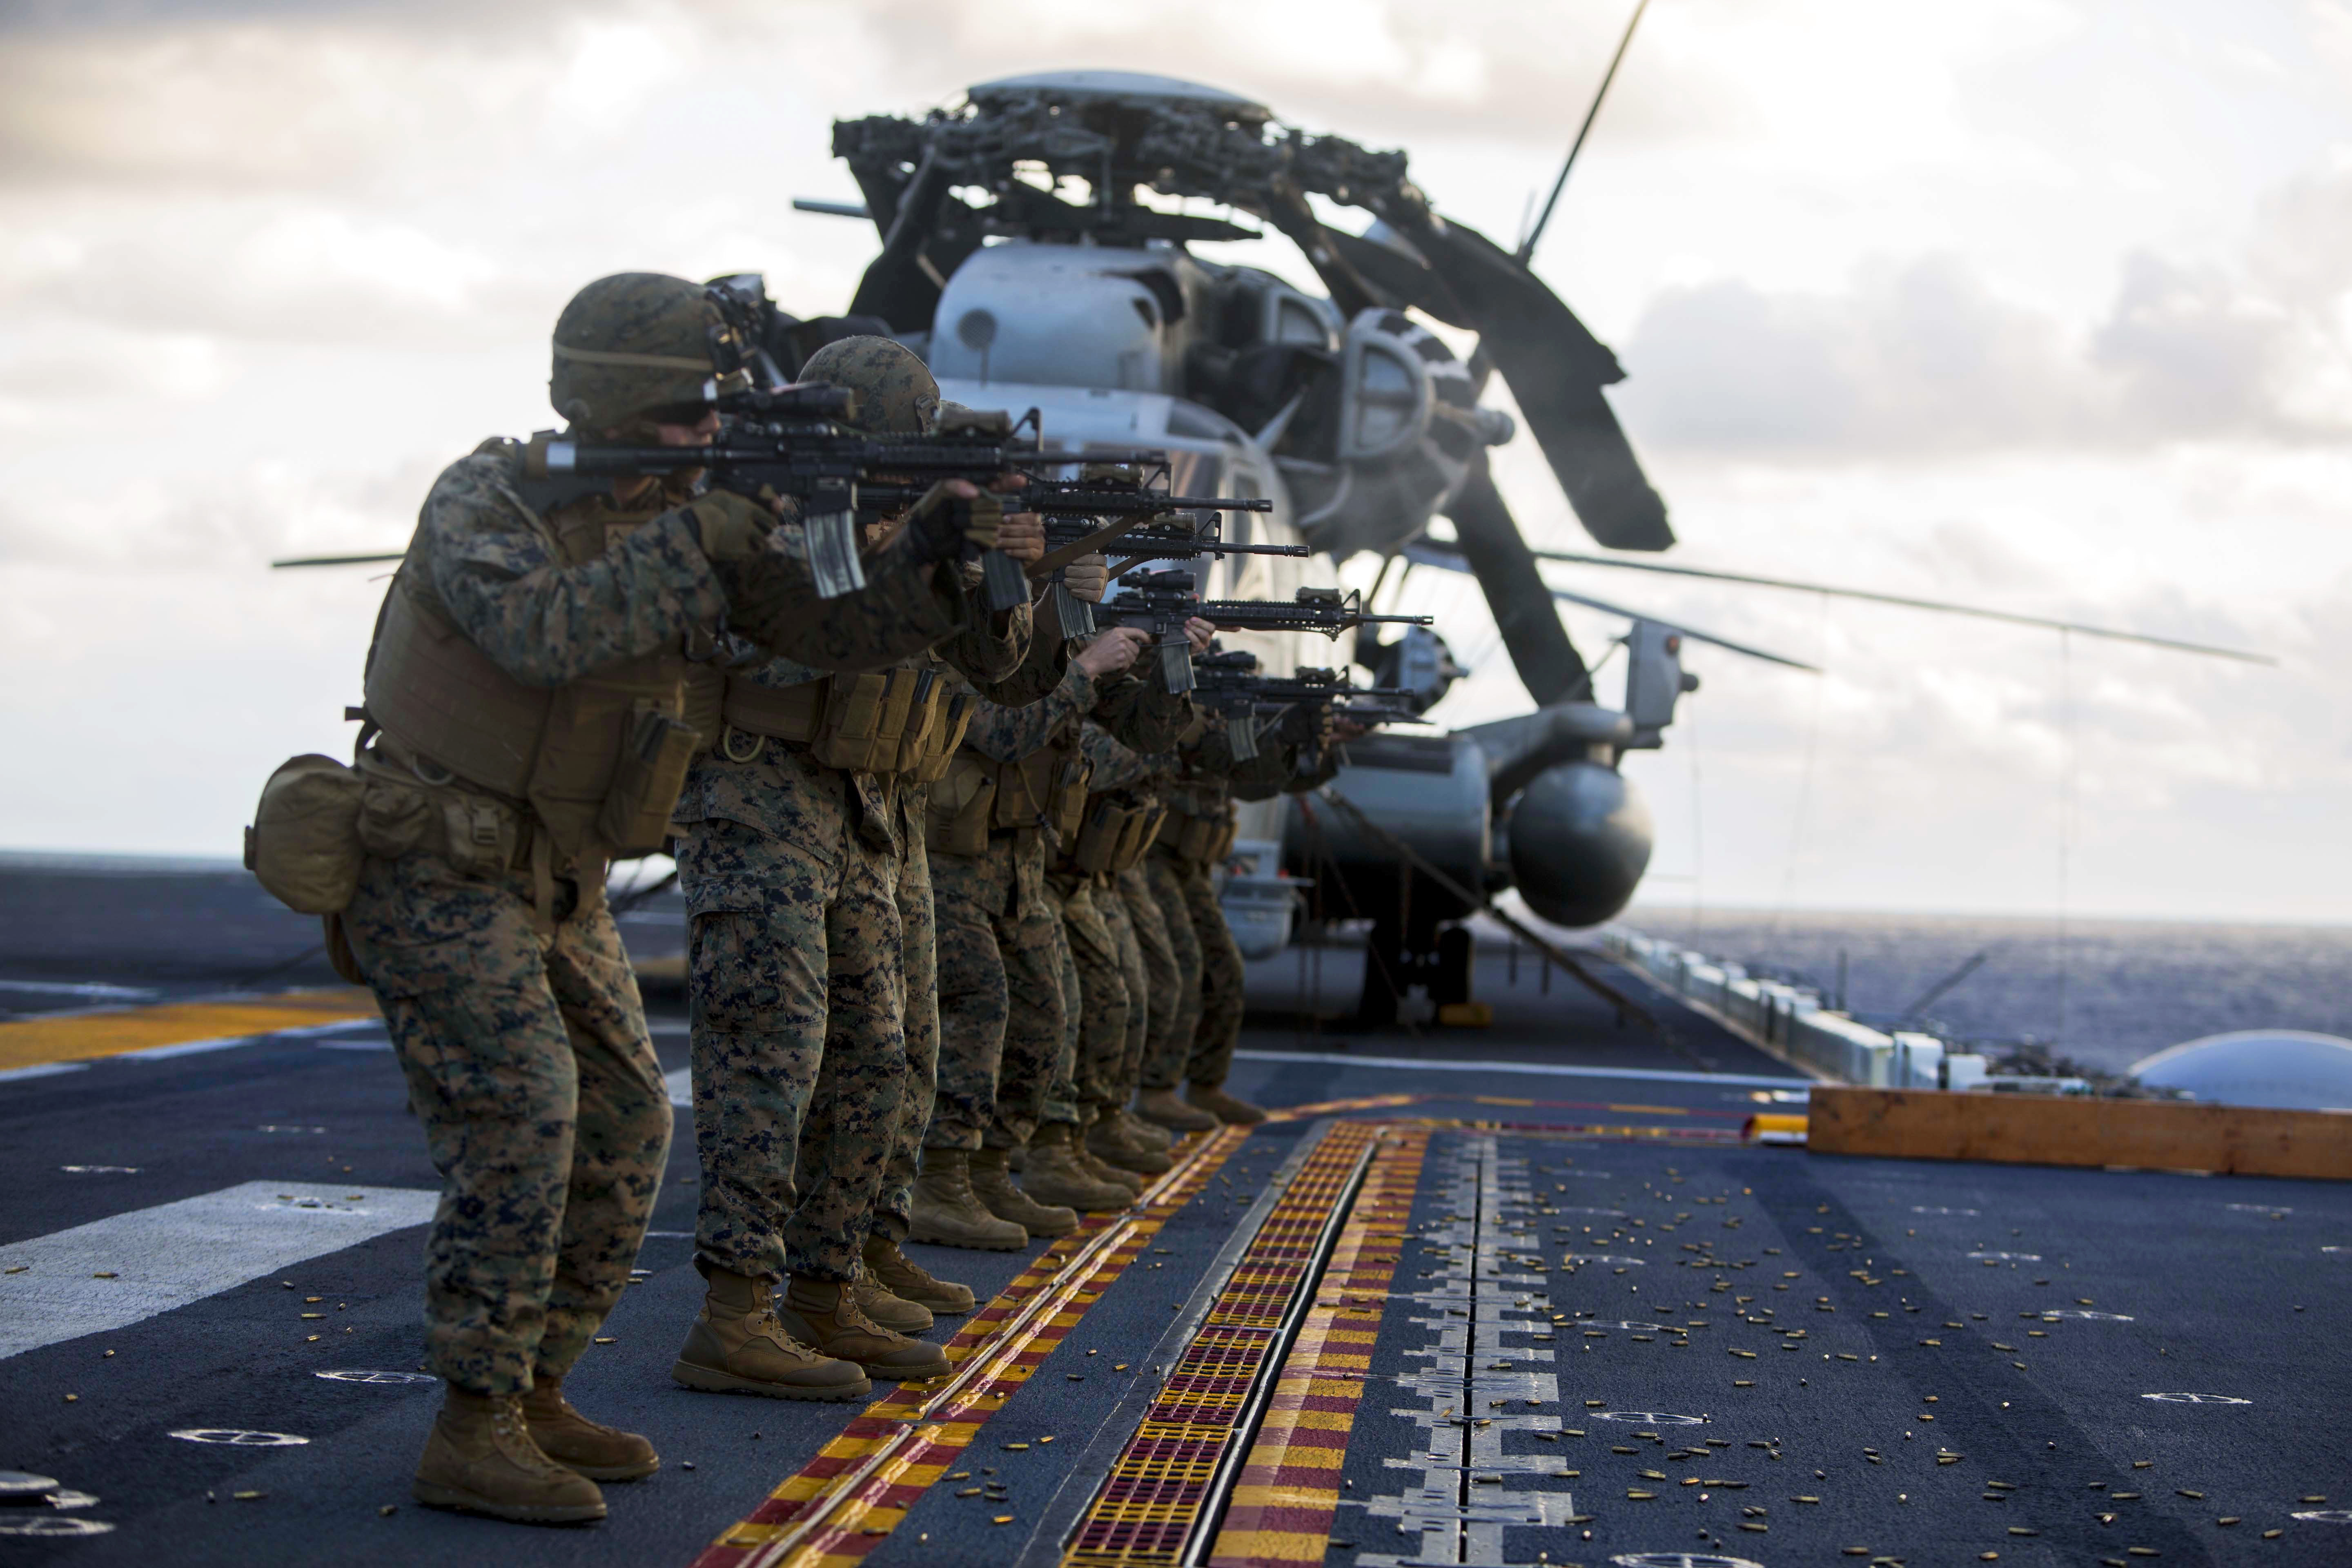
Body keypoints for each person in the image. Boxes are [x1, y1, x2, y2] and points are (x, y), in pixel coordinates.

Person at [336, 274, 988, 1525]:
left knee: (632, 1121)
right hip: (435, 858)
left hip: (552, 872)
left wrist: (928, 565)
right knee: (524, 1124)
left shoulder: (683, 510)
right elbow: (543, 633)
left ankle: (534, 1392)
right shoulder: (495, 496)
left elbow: (821, 632)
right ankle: (470, 1427)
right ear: (629, 403)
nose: (708, 442)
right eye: (696, 417)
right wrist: (712, 528)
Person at [668, 339, 1085, 1399]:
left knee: (877, 1057)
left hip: (860, 803)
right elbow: (794, 643)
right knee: (772, 1060)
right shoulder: (783, 507)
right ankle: (735, 1312)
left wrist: (1005, 574)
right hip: (761, 788)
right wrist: (900, 546)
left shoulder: (887, 521)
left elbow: (985, 663)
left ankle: (825, 1285)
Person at [910, 621, 1203, 1241]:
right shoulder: (969, 638)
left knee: (1049, 1015)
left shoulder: (1055, 650)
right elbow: (1000, 734)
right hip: (953, 862)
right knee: (981, 1014)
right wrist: (1086, 670)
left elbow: (1149, 734)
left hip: (1020, 864)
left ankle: (994, 1171)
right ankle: (941, 1181)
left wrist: (1176, 666)